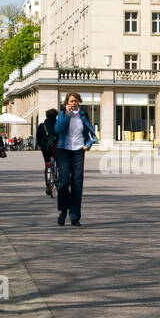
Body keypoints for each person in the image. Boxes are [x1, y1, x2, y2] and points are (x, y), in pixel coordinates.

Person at [54, 92, 98, 225]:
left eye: (76, 101)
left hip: (78, 151)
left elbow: (90, 132)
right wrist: (67, 115)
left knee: (77, 184)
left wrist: (88, 145)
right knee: (64, 182)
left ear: (79, 102)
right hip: (64, 151)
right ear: (67, 103)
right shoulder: (62, 114)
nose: (74, 103)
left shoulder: (83, 115)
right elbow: (58, 129)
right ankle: (63, 211)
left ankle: (75, 216)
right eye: (71, 101)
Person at [36, 108, 59, 194]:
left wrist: (40, 145)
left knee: (48, 164)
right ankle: (57, 179)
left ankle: (48, 184)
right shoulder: (58, 124)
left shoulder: (42, 126)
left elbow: (38, 138)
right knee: (58, 163)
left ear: (46, 116)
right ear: (56, 116)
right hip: (56, 148)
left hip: (45, 149)